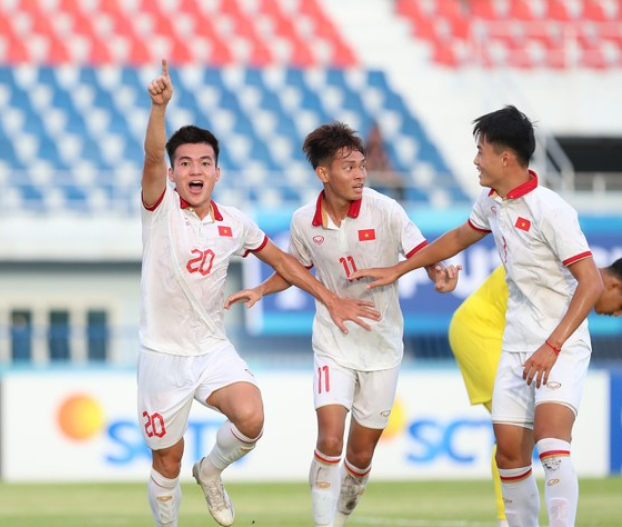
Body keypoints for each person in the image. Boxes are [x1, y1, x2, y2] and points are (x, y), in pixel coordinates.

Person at [139, 61, 380, 527]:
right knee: (166, 462)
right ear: (172, 174)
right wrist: (159, 108)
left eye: (204, 163)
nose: (195, 170)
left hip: (211, 348)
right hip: (161, 356)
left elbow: (285, 262)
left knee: (251, 418)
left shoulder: (235, 222)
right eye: (185, 163)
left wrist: (329, 298)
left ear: (217, 173)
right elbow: (151, 159)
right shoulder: (159, 208)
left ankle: (211, 471)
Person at [353, 105, 604, 527]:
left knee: (550, 443)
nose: (475, 160)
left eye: (481, 151)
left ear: (505, 158)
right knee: (508, 453)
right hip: (516, 344)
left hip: (560, 345)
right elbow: (458, 237)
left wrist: (552, 345)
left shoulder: (551, 209)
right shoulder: (491, 202)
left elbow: (592, 283)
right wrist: (400, 268)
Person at [225, 122, 460, 527]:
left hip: (382, 346)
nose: (360, 174)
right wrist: (262, 289)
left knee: (360, 457)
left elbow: (422, 252)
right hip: (334, 342)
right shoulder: (304, 221)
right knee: (330, 439)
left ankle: (345, 504)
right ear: (323, 173)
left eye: (362, 166)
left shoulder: (386, 210)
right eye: (349, 167)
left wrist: (439, 275)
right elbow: (296, 269)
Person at [450, 259, 622, 527]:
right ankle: (506, 520)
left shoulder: (573, 272)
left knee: (521, 438)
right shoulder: (569, 269)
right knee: (516, 437)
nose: (618, 314)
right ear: (615, 286)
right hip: (483, 332)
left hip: (494, 330)